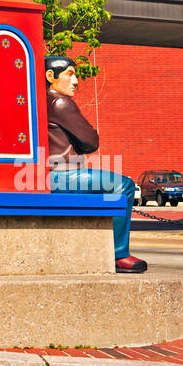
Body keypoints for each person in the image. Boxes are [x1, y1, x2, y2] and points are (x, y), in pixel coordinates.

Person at [44, 55, 146, 274]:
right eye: (70, 74)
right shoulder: (60, 102)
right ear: (50, 76)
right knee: (124, 186)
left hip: (44, 174)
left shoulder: (39, 101)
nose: (75, 81)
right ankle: (119, 255)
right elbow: (91, 142)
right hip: (63, 174)